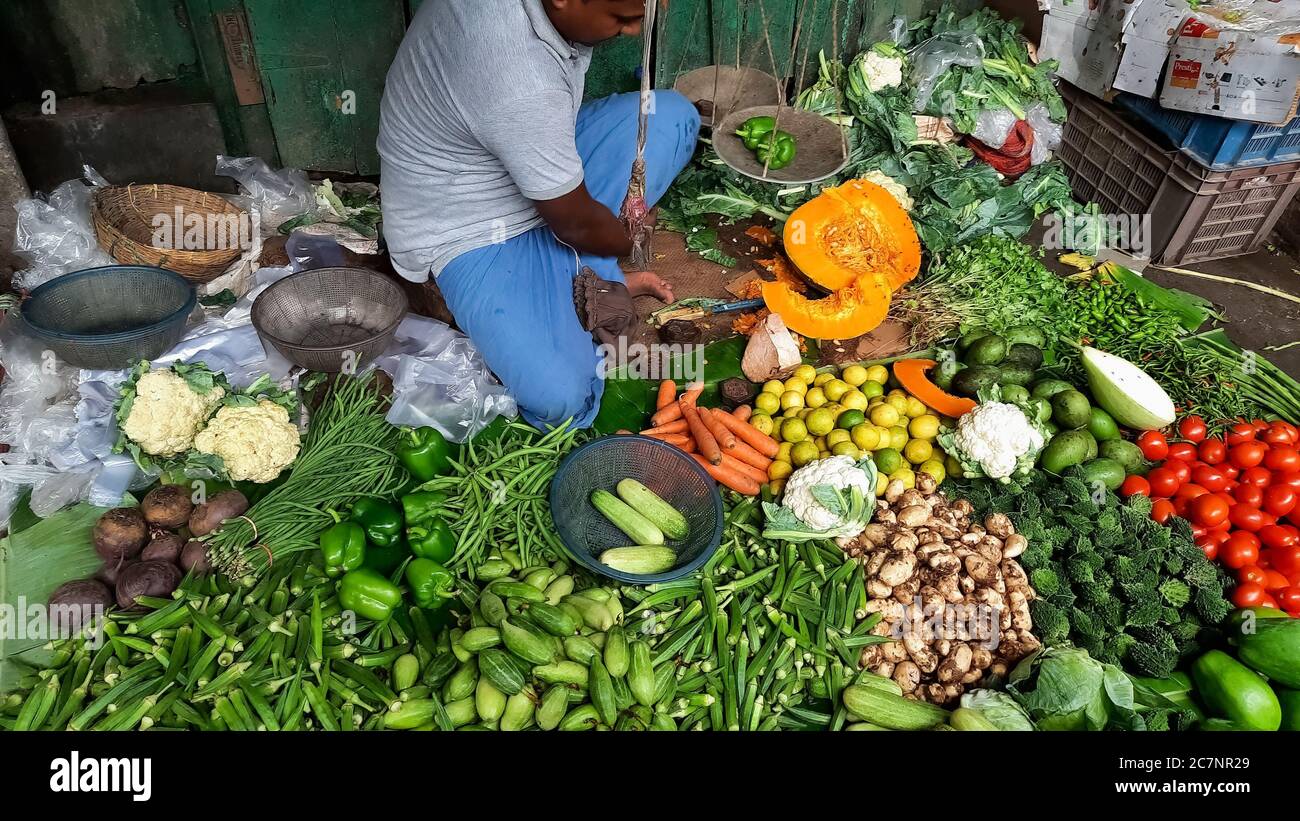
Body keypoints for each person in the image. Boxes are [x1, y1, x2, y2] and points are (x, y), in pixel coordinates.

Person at [379, 0, 701, 429]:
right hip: (470, 226)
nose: (631, 32)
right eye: (623, 19)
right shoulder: (513, 70)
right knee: (563, 399)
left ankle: (580, 282)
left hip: (528, 153)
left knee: (671, 116)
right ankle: (568, 286)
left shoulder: (537, 44)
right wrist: (628, 242)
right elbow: (575, 223)